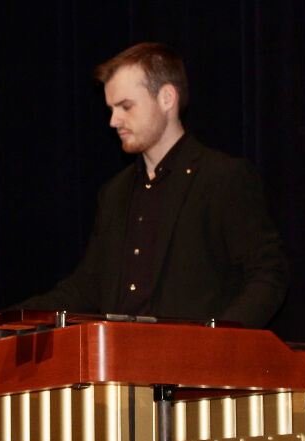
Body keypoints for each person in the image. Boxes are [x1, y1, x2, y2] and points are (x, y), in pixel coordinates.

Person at [17, 42, 288, 329]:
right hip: (120, 356)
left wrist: (217, 341)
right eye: (111, 109)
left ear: (167, 98)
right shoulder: (114, 193)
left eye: (125, 106)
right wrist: (6, 322)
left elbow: (268, 273)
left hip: (194, 356)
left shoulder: (221, 177)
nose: (113, 121)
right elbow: (85, 288)